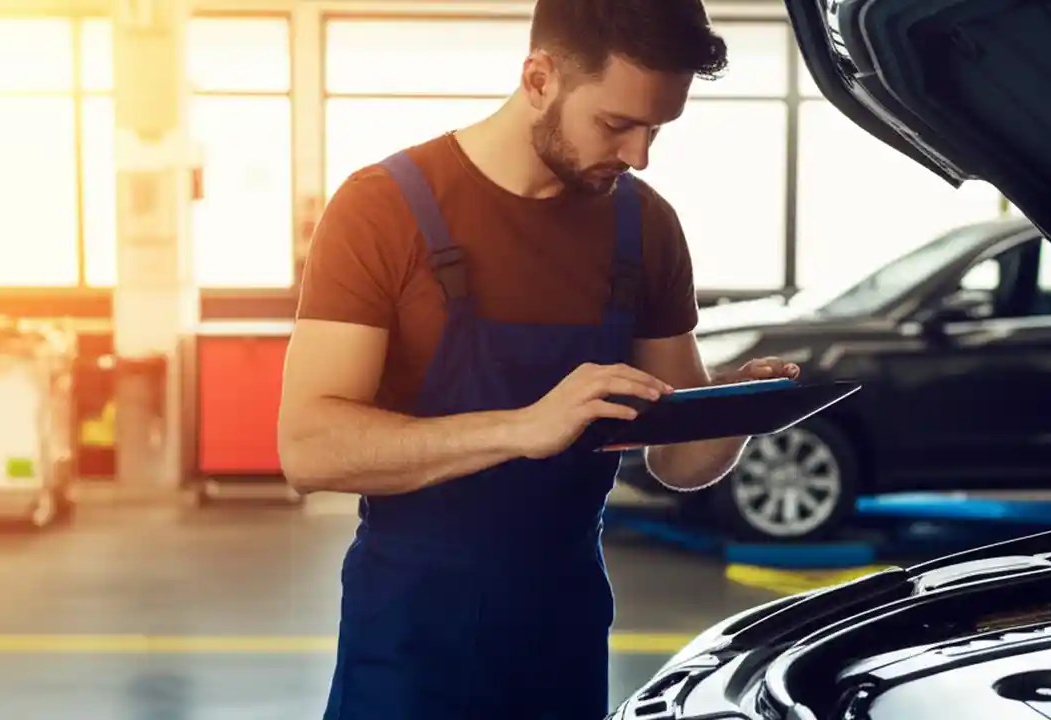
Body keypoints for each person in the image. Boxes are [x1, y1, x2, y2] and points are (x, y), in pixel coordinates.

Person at [278, 0, 800, 717]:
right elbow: (310, 449)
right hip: (409, 629)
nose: (639, 155)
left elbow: (678, 465)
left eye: (656, 130)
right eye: (617, 125)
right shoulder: (383, 209)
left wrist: (734, 410)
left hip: (564, 625)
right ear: (539, 78)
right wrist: (522, 428)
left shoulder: (644, 227)